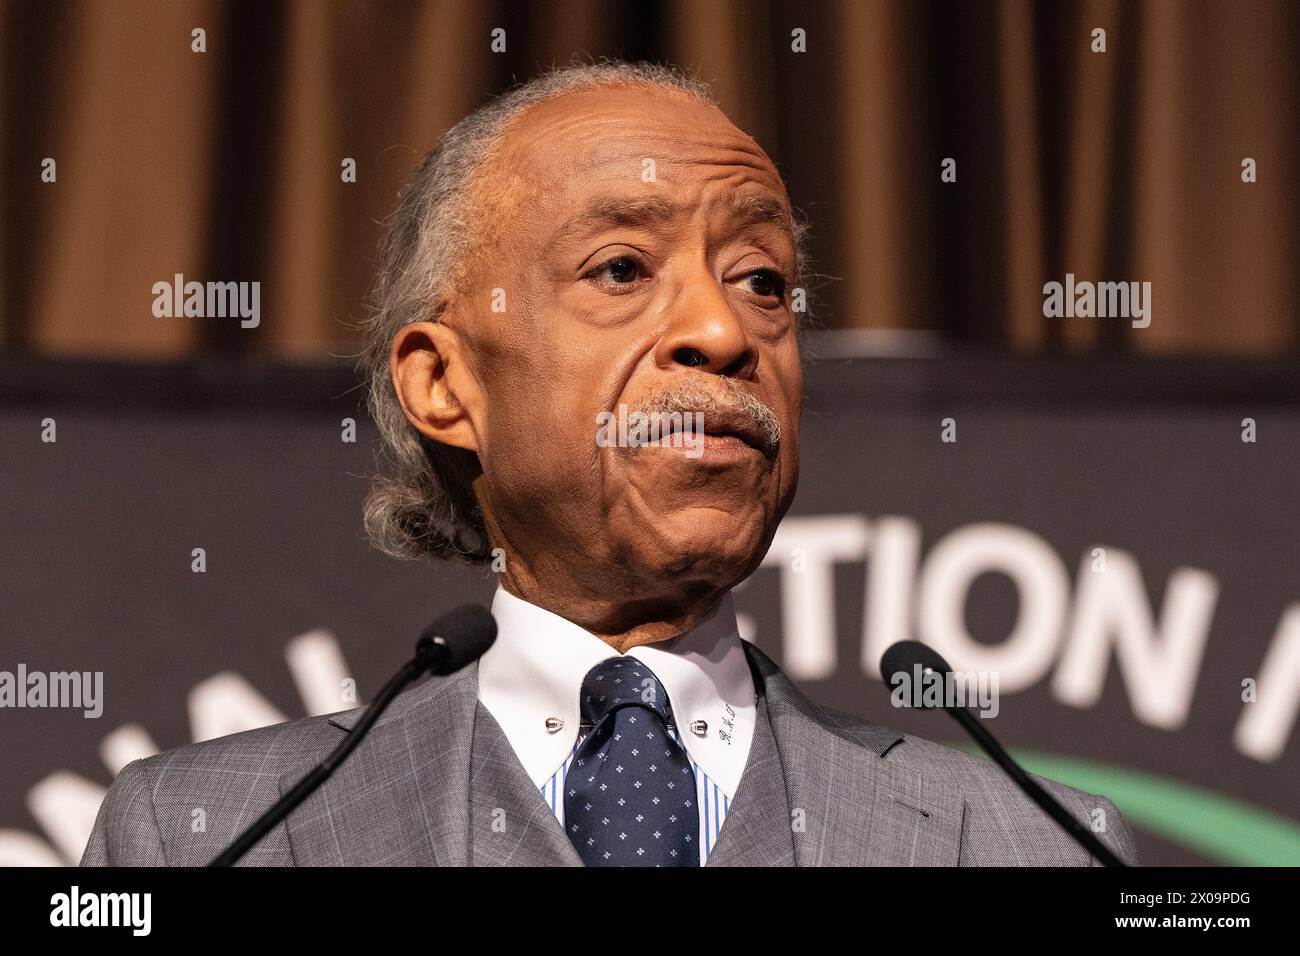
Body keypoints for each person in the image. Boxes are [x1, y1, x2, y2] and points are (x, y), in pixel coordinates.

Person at [82, 60, 1137, 867]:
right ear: (443, 384)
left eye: (764, 280)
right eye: (622, 267)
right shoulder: (205, 835)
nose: (725, 330)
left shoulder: (1028, 841)